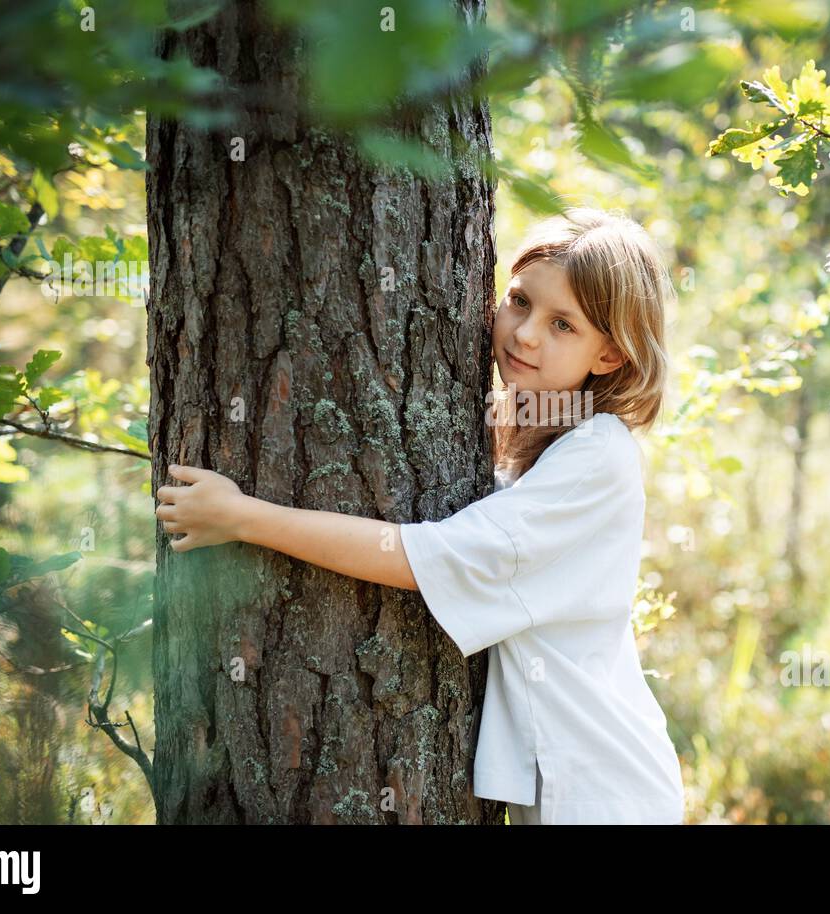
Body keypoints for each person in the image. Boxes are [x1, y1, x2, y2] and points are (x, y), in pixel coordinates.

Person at [155, 206, 684, 825]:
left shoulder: (598, 457)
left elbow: (418, 559)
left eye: (563, 324)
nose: (525, 333)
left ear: (611, 356)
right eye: (519, 301)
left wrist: (243, 518)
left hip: (606, 790)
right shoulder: (538, 436)